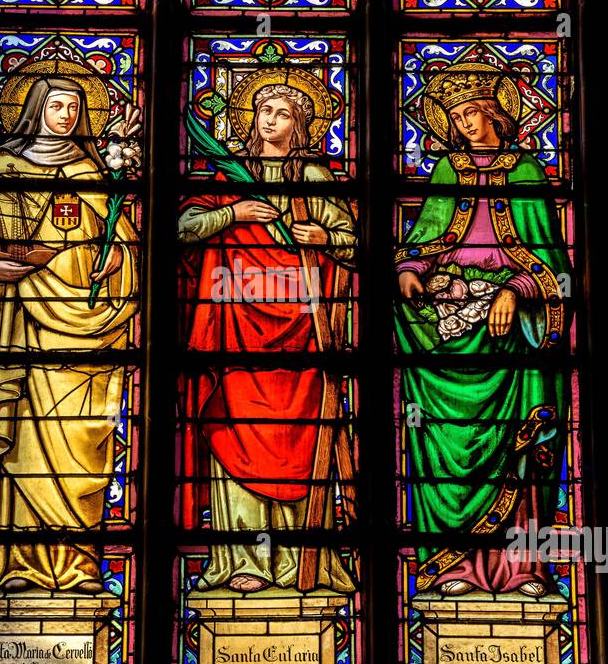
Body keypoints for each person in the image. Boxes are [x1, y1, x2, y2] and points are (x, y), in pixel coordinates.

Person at [0, 68, 138, 592]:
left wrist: (119, 261)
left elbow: (120, 240)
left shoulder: (90, 171)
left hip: (84, 331)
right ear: (36, 108)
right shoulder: (7, 167)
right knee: (19, 435)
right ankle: (12, 562)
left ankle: (76, 563)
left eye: (74, 108)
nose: (67, 116)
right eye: (57, 106)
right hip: (20, 327)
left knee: (78, 439)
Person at [394, 62, 570, 597]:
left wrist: (516, 290)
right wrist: (408, 270)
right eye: (456, 115)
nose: (465, 123)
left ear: (494, 112)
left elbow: (550, 260)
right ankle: (453, 567)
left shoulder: (527, 174)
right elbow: (426, 237)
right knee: (444, 442)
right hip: (447, 325)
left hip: (508, 326)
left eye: (472, 111)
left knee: (515, 444)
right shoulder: (447, 171)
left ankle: (522, 569)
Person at [179, 76, 357, 594]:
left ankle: (300, 565)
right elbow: (182, 228)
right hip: (235, 332)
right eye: (262, 110)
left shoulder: (315, 175)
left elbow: (354, 243)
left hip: (303, 338)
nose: (269, 120)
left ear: (300, 123)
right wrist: (235, 212)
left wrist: (323, 235)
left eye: (281, 112)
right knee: (235, 437)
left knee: (298, 447)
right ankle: (243, 564)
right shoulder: (229, 176)